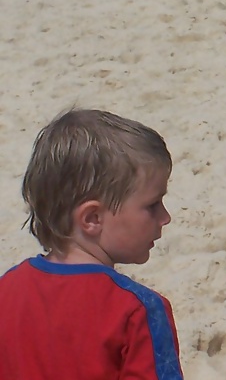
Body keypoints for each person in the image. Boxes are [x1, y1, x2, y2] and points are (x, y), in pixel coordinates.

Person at [0, 109, 179, 378]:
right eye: (152, 205)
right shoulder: (138, 311)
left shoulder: (6, 292)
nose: (165, 217)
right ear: (92, 218)